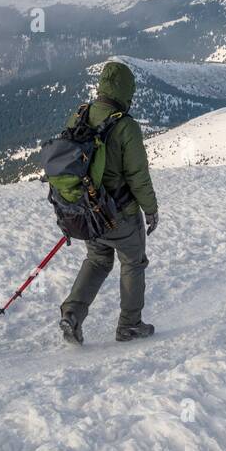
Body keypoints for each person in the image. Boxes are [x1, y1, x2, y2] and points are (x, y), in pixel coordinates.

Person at [59, 61, 159, 345]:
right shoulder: (125, 126)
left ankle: (72, 313)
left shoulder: (79, 115)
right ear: (126, 91)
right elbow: (138, 176)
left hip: (88, 213)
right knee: (133, 262)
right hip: (120, 214)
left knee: (98, 260)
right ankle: (130, 324)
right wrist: (150, 210)